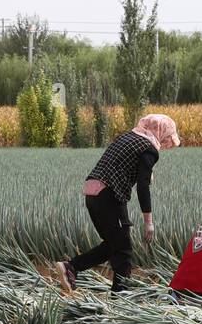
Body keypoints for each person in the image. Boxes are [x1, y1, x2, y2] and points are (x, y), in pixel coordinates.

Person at [56, 113, 181, 293]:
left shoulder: (128, 137)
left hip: (92, 194)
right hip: (109, 195)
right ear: (160, 132)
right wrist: (149, 222)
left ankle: (71, 267)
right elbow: (143, 188)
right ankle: (120, 301)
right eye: (168, 139)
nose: (167, 144)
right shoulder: (149, 149)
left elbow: (124, 163)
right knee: (124, 252)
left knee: (113, 244)